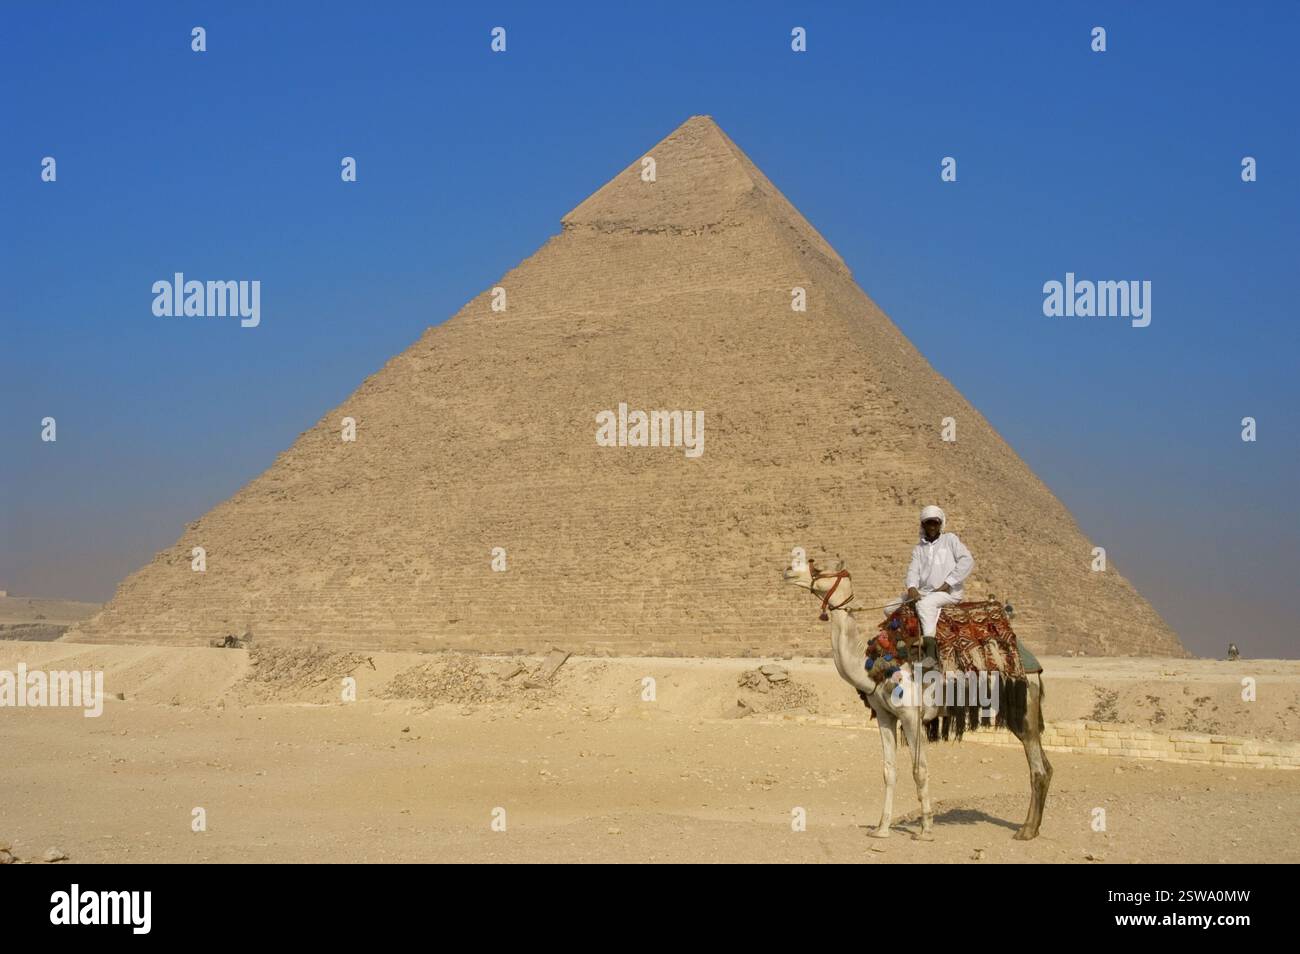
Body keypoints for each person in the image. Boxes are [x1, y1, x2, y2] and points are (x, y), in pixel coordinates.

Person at [886, 505, 975, 643]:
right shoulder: (919, 548)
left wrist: (948, 583)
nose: (932, 527)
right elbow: (913, 570)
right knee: (889, 609)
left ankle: (929, 648)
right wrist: (912, 587)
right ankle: (903, 641)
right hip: (924, 592)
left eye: (935, 523)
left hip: (948, 593)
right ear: (923, 525)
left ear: (940, 524)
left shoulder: (950, 540)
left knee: (924, 605)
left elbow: (967, 560)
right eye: (929, 523)